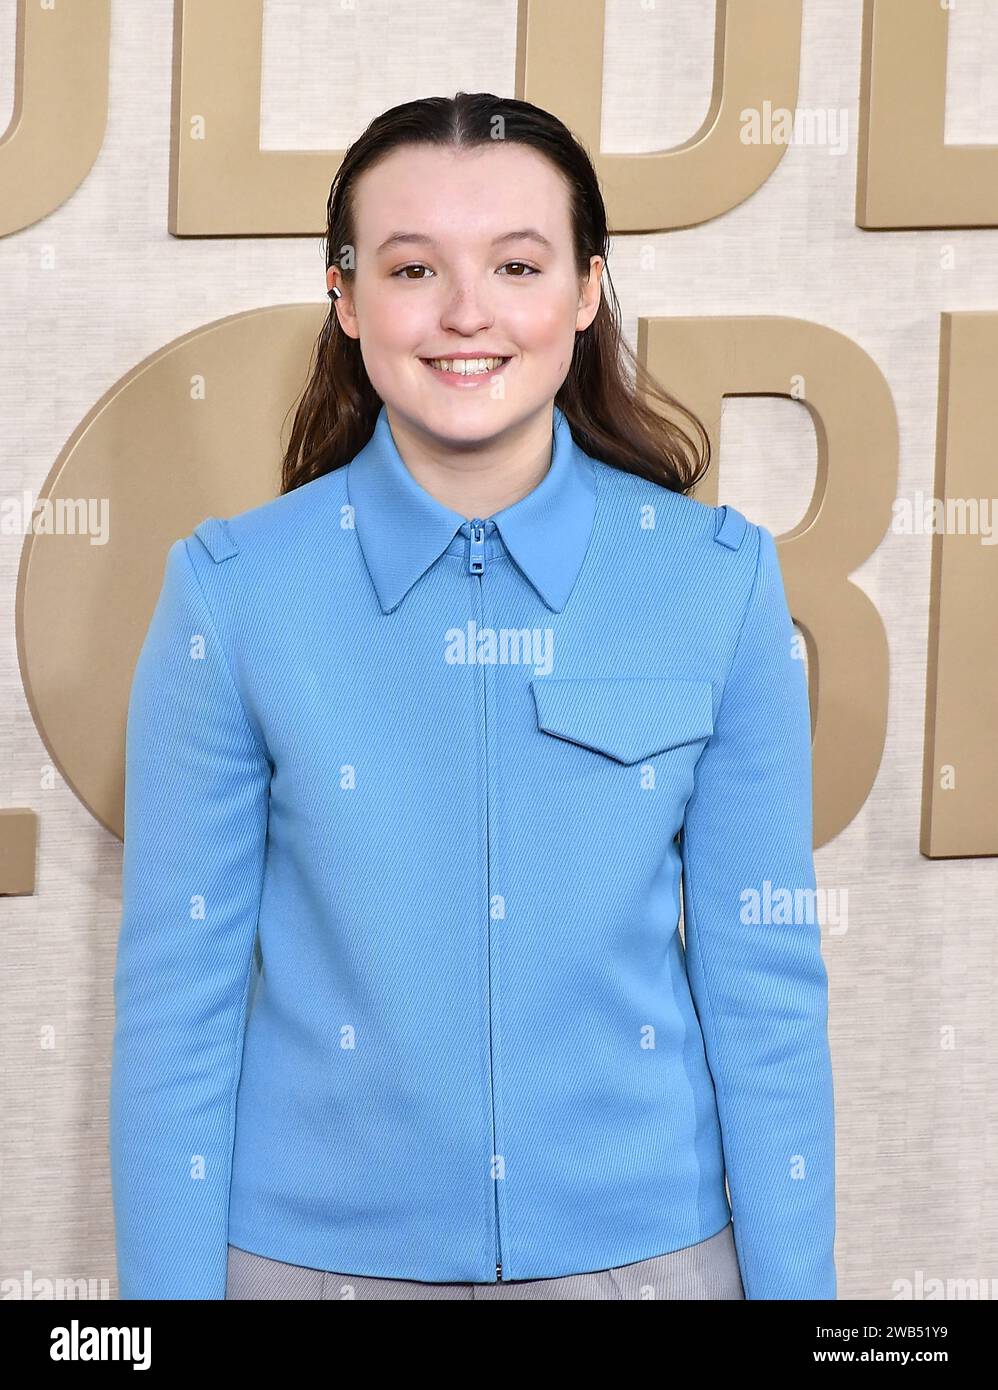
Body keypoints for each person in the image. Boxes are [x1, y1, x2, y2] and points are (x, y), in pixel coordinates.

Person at [108, 91, 836, 1301]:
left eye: (515, 263)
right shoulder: (230, 594)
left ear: (588, 289)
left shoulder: (715, 580)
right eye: (409, 268)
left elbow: (763, 991)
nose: (464, 313)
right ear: (344, 299)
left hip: (649, 1264)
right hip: (306, 1269)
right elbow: (174, 1013)